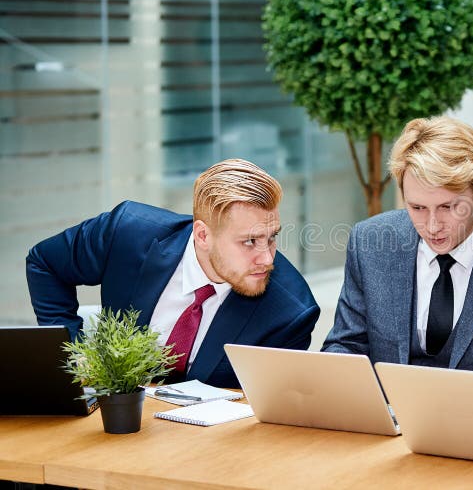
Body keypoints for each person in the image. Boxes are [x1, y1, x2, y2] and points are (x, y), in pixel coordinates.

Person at [322, 116, 473, 415]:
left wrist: (457, 413)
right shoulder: (370, 242)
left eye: (448, 207)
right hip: (385, 428)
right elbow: (345, 347)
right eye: (417, 207)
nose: (432, 226)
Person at [27, 158, 320, 388]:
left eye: (271, 237)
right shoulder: (127, 232)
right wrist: (73, 355)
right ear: (202, 235)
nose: (267, 258)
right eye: (250, 241)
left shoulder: (291, 313)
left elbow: (266, 415)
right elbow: (44, 263)